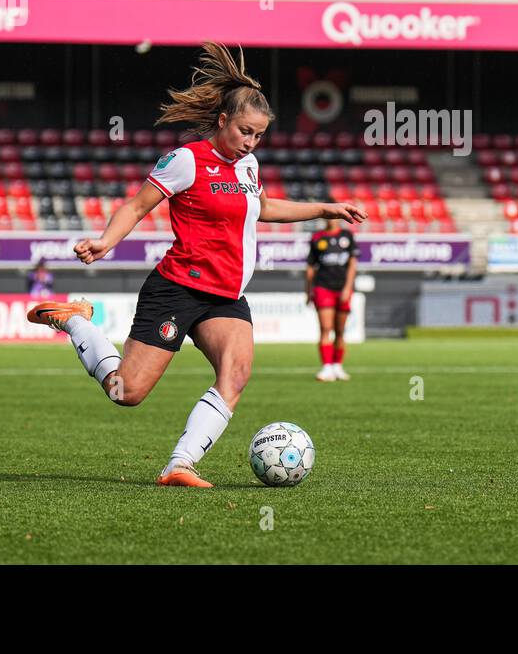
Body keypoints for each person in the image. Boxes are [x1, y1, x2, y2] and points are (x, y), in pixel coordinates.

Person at [25, 42, 366, 488]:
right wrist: (106, 241)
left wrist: (325, 209)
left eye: (259, 135)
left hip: (226, 297)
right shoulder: (187, 161)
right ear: (223, 121)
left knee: (237, 372)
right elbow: (136, 205)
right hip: (177, 289)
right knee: (126, 393)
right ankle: (76, 322)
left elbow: (263, 208)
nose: (251, 141)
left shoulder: (249, 166)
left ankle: (179, 464)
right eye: (245, 131)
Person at [305, 214, 357, 382]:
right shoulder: (317, 238)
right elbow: (310, 268)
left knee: (340, 331)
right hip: (323, 287)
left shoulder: (347, 236)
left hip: (342, 288)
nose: (331, 220)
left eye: (334, 217)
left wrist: (348, 288)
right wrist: (308, 292)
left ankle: (337, 366)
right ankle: (326, 368)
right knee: (325, 328)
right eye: (328, 216)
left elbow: (352, 264)